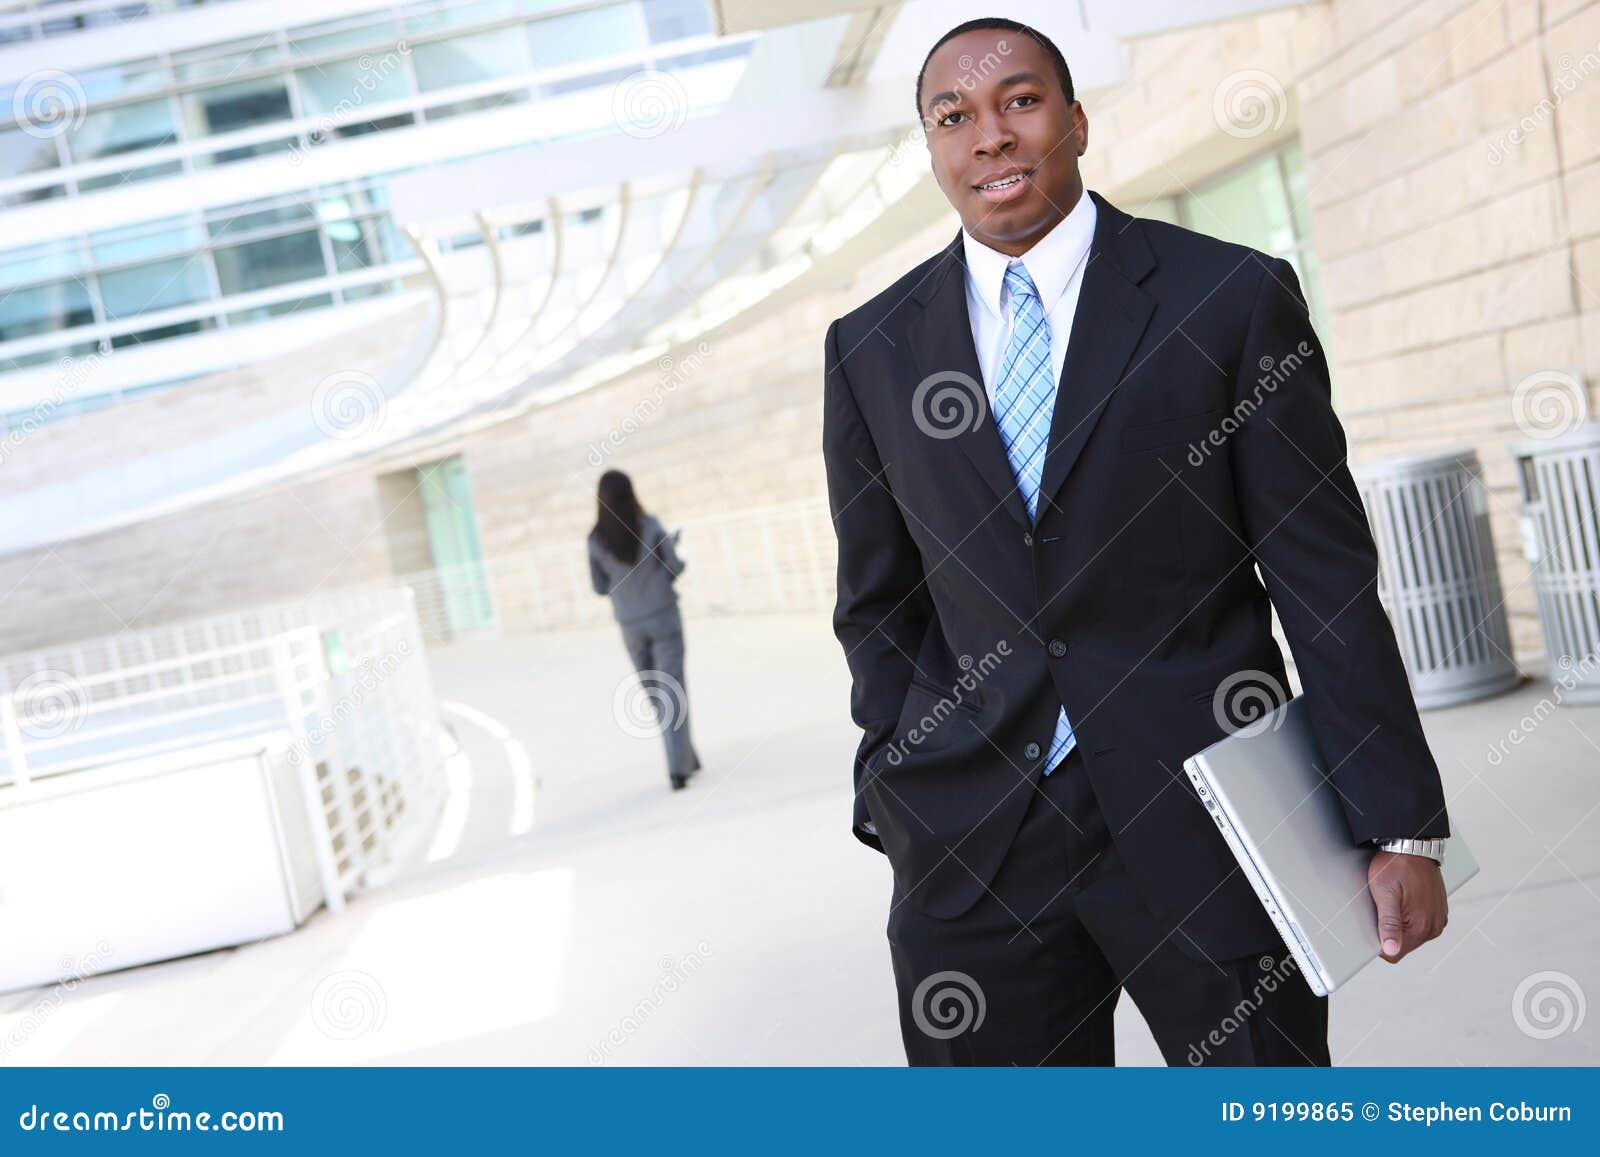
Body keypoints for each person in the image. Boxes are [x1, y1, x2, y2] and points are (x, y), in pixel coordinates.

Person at [821, 17, 1451, 1066]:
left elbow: (1322, 575)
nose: (989, 136)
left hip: (1213, 823)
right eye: (953, 116)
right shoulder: (871, 349)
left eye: (1019, 101)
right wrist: (898, 784)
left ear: (1074, 120)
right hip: (977, 848)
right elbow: (877, 602)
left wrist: (1398, 820)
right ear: (931, 150)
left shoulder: (1227, 298)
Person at [587, 470, 701, 790]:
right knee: (672, 690)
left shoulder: (595, 540)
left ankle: (684, 757)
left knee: (656, 693)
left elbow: (598, 586)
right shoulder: (649, 525)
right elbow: (674, 567)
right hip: (663, 617)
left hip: (630, 624)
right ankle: (679, 768)